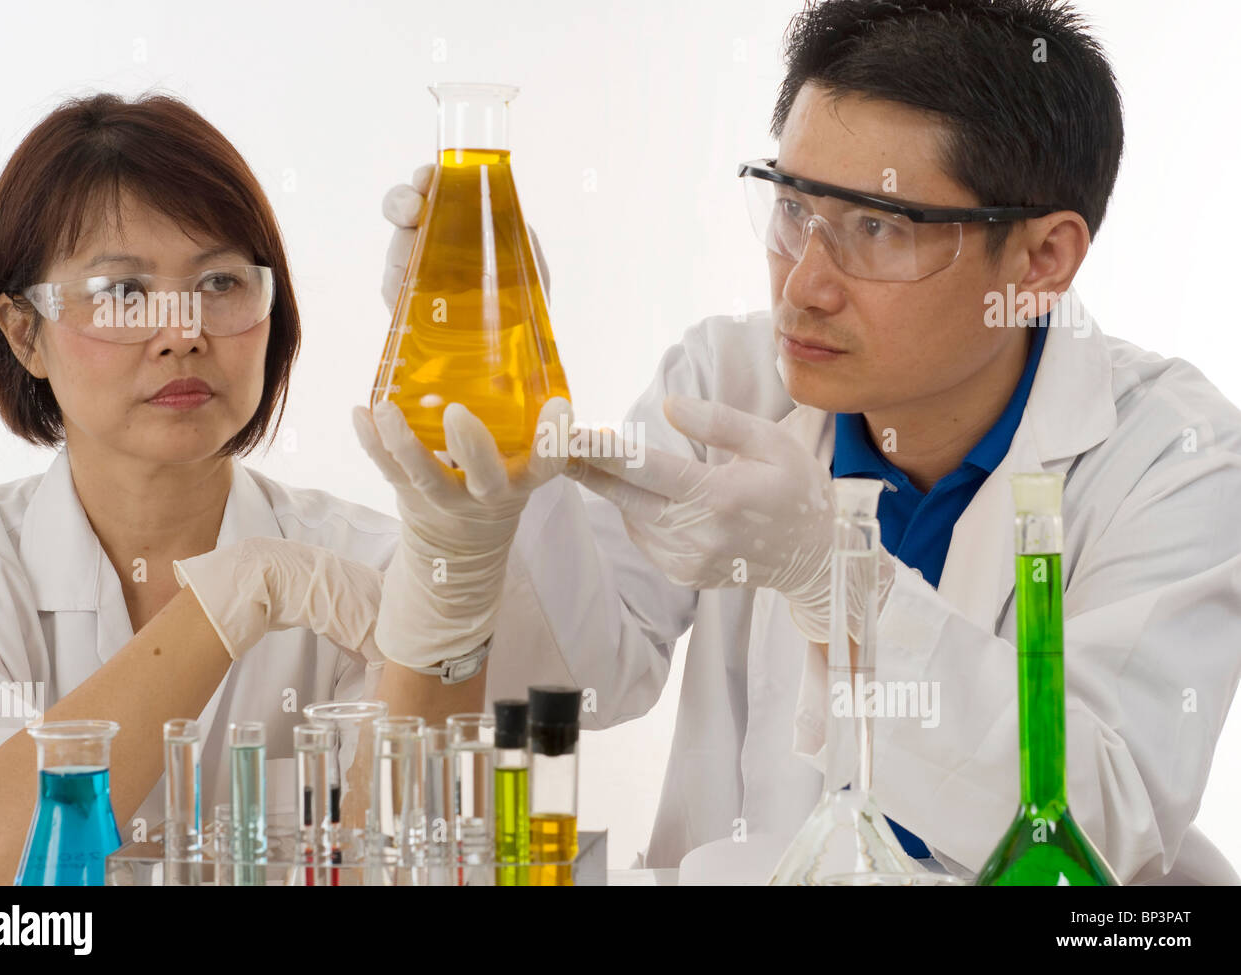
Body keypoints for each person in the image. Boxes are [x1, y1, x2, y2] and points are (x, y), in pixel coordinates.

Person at [365, 0, 1241, 883]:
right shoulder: (722, 381)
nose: (805, 286)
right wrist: (480, 527)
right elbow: (569, 682)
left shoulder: (1173, 454)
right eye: (792, 207)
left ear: (1041, 259)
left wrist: (833, 582)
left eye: (879, 227)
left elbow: (1101, 822)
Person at [0, 92, 492, 885]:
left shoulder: (368, 566)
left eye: (221, 282)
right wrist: (234, 597)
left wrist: (450, 604)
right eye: (124, 293)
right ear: (25, 332)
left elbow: (399, 862)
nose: (184, 331)